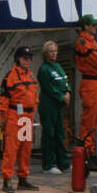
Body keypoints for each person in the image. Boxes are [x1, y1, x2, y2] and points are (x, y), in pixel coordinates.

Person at [0, 46, 39, 193]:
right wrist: (5, 121)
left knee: (25, 150)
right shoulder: (10, 76)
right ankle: (6, 180)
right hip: (14, 116)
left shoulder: (31, 76)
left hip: (27, 117)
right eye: (24, 58)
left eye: (29, 59)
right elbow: (3, 101)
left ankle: (23, 179)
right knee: (11, 151)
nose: (27, 61)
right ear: (18, 59)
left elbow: (34, 98)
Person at [74, 14, 97, 169]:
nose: (95, 28)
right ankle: (85, 156)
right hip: (90, 83)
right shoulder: (82, 42)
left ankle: (92, 153)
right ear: (86, 26)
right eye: (93, 25)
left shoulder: (92, 41)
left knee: (95, 120)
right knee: (88, 120)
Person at [38, 40, 71, 175]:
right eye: (51, 52)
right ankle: (48, 164)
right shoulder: (44, 69)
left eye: (55, 51)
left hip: (58, 106)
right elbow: (48, 88)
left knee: (60, 134)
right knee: (49, 134)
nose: (54, 54)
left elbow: (65, 81)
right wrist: (61, 97)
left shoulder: (58, 66)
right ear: (45, 54)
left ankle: (63, 163)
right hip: (48, 105)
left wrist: (68, 93)